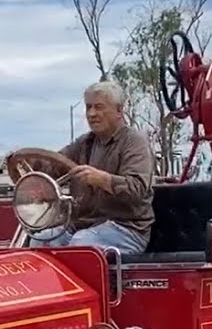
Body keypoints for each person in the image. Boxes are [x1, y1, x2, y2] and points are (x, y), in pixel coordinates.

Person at [27, 80, 155, 255]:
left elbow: (137, 188)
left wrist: (103, 180)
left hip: (126, 228)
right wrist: (30, 163)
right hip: (84, 226)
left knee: (82, 246)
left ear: (119, 111)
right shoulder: (84, 143)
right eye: (88, 107)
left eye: (99, 107)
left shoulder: (134, 142)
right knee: (41, 240)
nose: (91, 114)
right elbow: (55, 165)